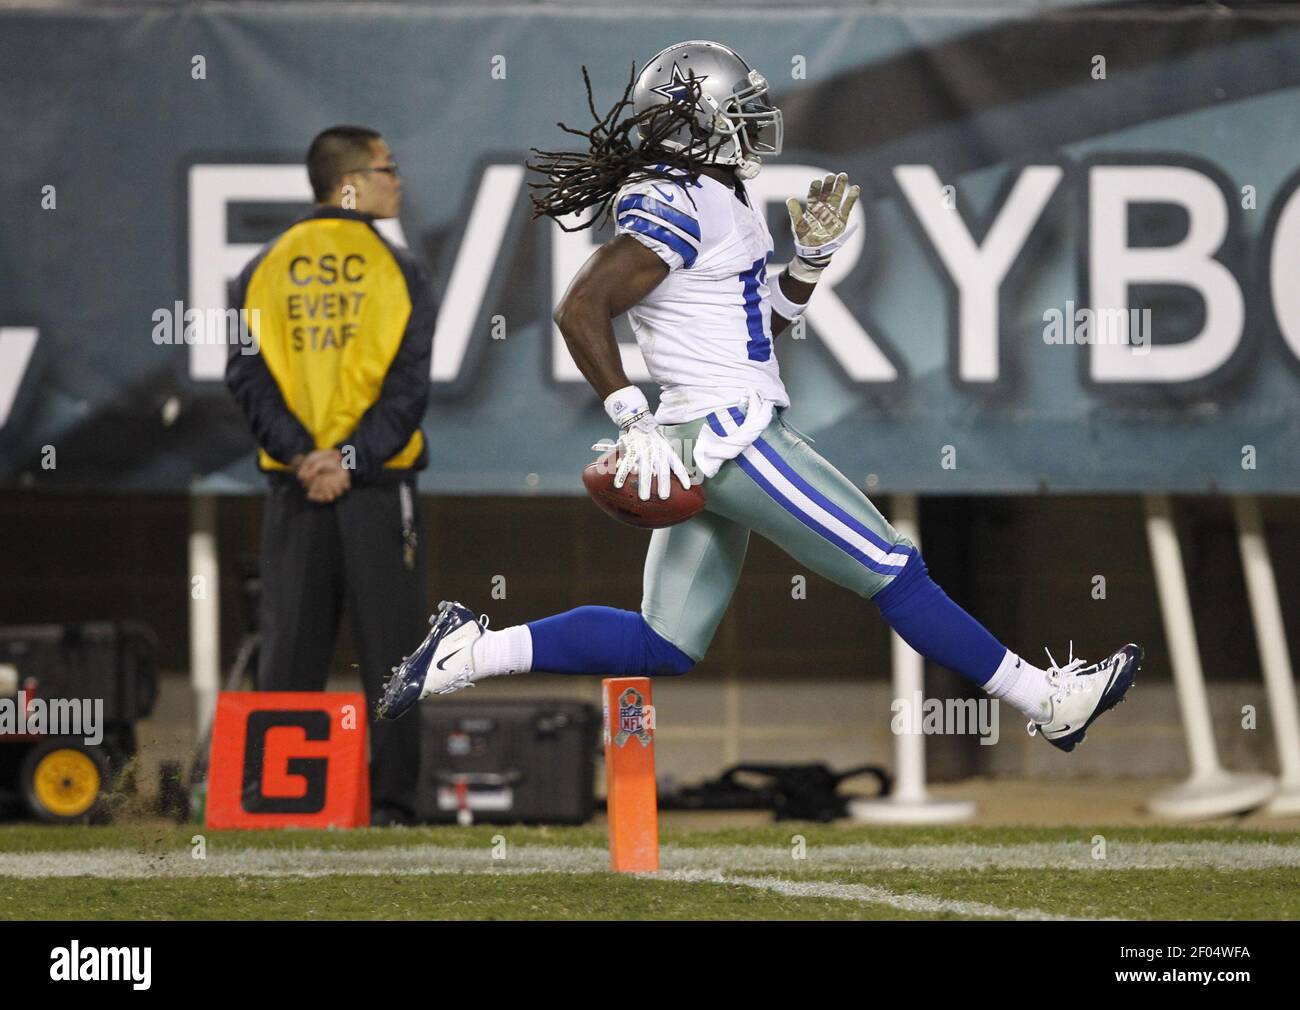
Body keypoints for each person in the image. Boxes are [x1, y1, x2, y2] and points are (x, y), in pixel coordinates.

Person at [377, 42, 1139, 753]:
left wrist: (806, 265)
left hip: (702, 431)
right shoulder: (682, 199)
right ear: (696, 120)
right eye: (735, 106)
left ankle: (468, 651)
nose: (752, 118)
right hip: (727, 434)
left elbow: (753, 329)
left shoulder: (715, 198)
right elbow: (581, 306)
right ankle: (1045, 701)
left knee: (663, 644)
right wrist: (628, 415)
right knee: (894, 568)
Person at [227, 125, 433, 823]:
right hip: (376, 487)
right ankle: (396, 808)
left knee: (289, 649)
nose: (397, 180)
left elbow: (248, 380)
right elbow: (407, 394)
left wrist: (303, 458)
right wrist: (346, 460)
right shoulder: (401, 270)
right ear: (351, 183)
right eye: (387, 167)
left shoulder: (258, 269)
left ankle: (275, 799)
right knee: (396, 652)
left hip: (294, 488)